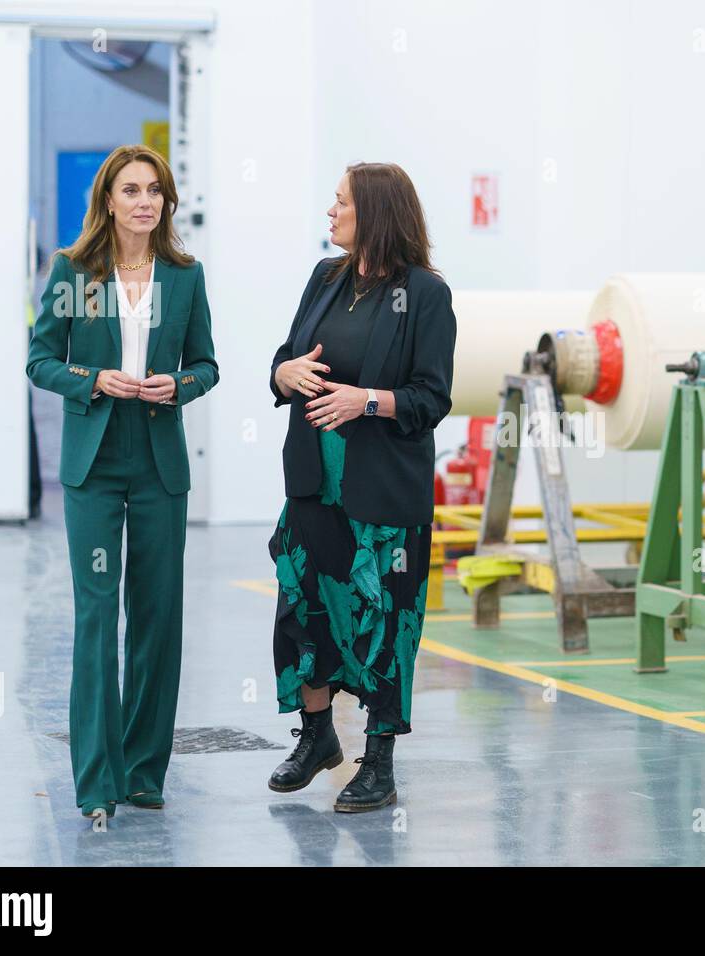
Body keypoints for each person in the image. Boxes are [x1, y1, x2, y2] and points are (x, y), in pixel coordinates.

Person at [25, 144, 218, 820]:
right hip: (95, 462)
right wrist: (93, 379)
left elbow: (208, 365)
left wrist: (182, 384)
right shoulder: (73, 272)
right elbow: (41, 360)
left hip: (159, 457)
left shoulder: (185, 277)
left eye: (155, 190)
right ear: (108, 198)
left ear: (165, 201)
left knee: (158, 618)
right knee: (97, 615)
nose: (145, 201)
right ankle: (96, 780)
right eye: (131, 189)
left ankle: (142, 773)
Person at [266, 162, 455, 812]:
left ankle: (379, 762)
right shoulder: (325, 278)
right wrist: (284, 373)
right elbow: (284, 358)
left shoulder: (425, 294)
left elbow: (431, 398)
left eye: (340, 203)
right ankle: (316, 736)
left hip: (382, 495)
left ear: (372, 212)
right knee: (303, 611)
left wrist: (365, 402)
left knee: (384, 622)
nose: (331, 212)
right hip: (314, 483)